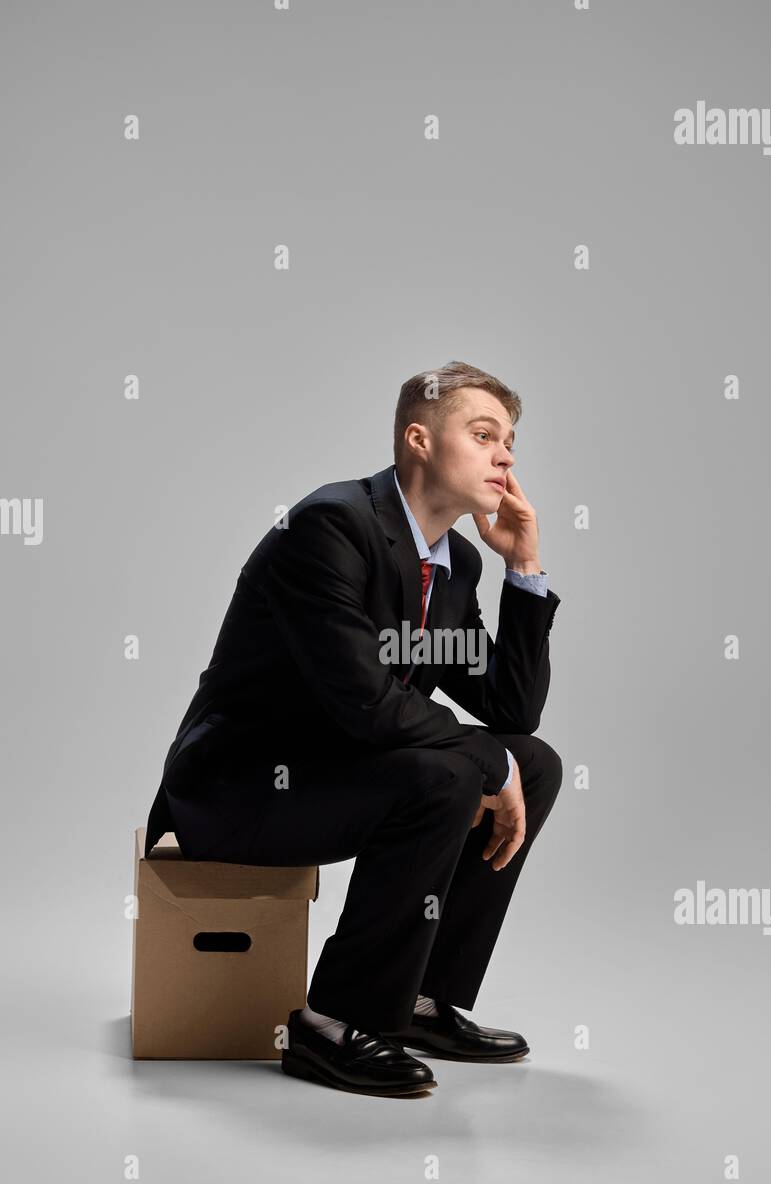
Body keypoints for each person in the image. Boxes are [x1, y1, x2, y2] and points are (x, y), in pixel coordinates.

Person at [143, 361, 563, 1096]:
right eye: (484, 434)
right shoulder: (331, 525)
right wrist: (483, 759)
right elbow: (364, 701)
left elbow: (510, 707)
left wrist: (523, 568)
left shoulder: (455, 561)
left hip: (339, 771)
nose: (506, 456)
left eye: (511, 442)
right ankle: (334, 1023)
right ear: (419, 441)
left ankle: (419, 1001)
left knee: (531, 761)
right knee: (454, 768)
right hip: (241, 787)